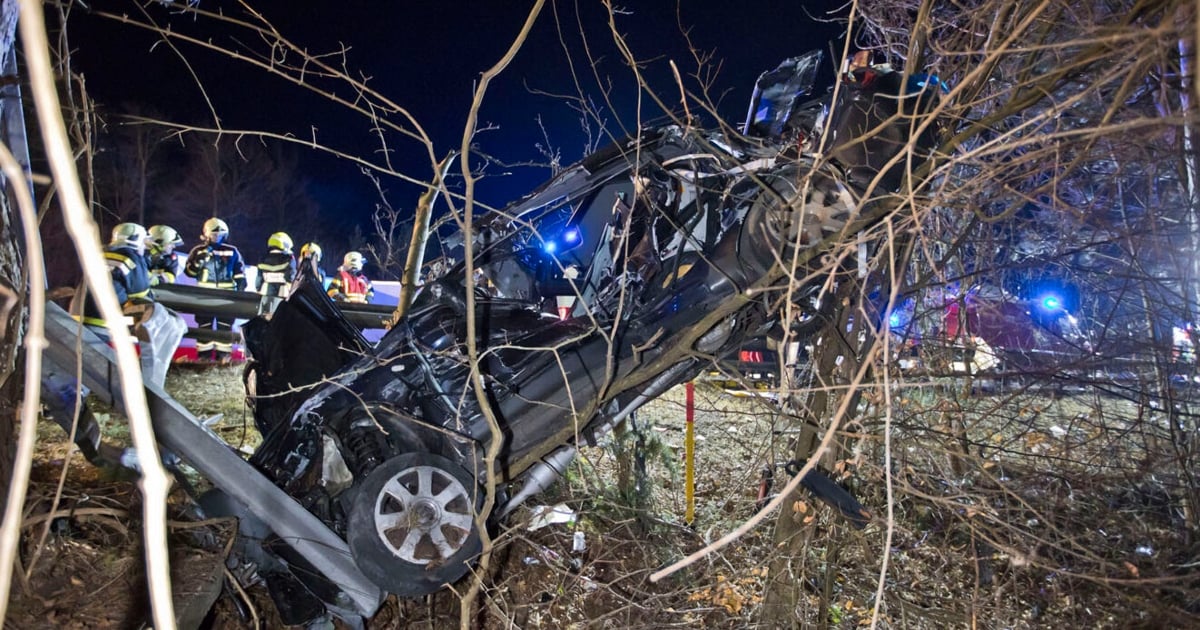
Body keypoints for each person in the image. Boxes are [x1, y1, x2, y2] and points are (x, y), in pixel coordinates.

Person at [184, 217, 247, 361]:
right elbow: (189, 273)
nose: (217, 236)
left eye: (220, 234)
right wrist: (199, 260)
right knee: (204, 325)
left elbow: (239, 272)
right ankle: (204, 357)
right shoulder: (198, 250)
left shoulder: (232, 251)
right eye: (214, 234)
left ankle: (223, 357)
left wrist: (240, 290)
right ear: (206, 234)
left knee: (225, 325)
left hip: (227, 295)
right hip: (204, 294)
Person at [256, 231, 296, 315]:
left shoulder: (263, 258)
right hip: (283, 292)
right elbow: (291, 277)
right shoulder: (289, 258)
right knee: (280, 317)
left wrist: (258, 289)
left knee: (264, 316)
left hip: (266, 291)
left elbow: (259, 279)